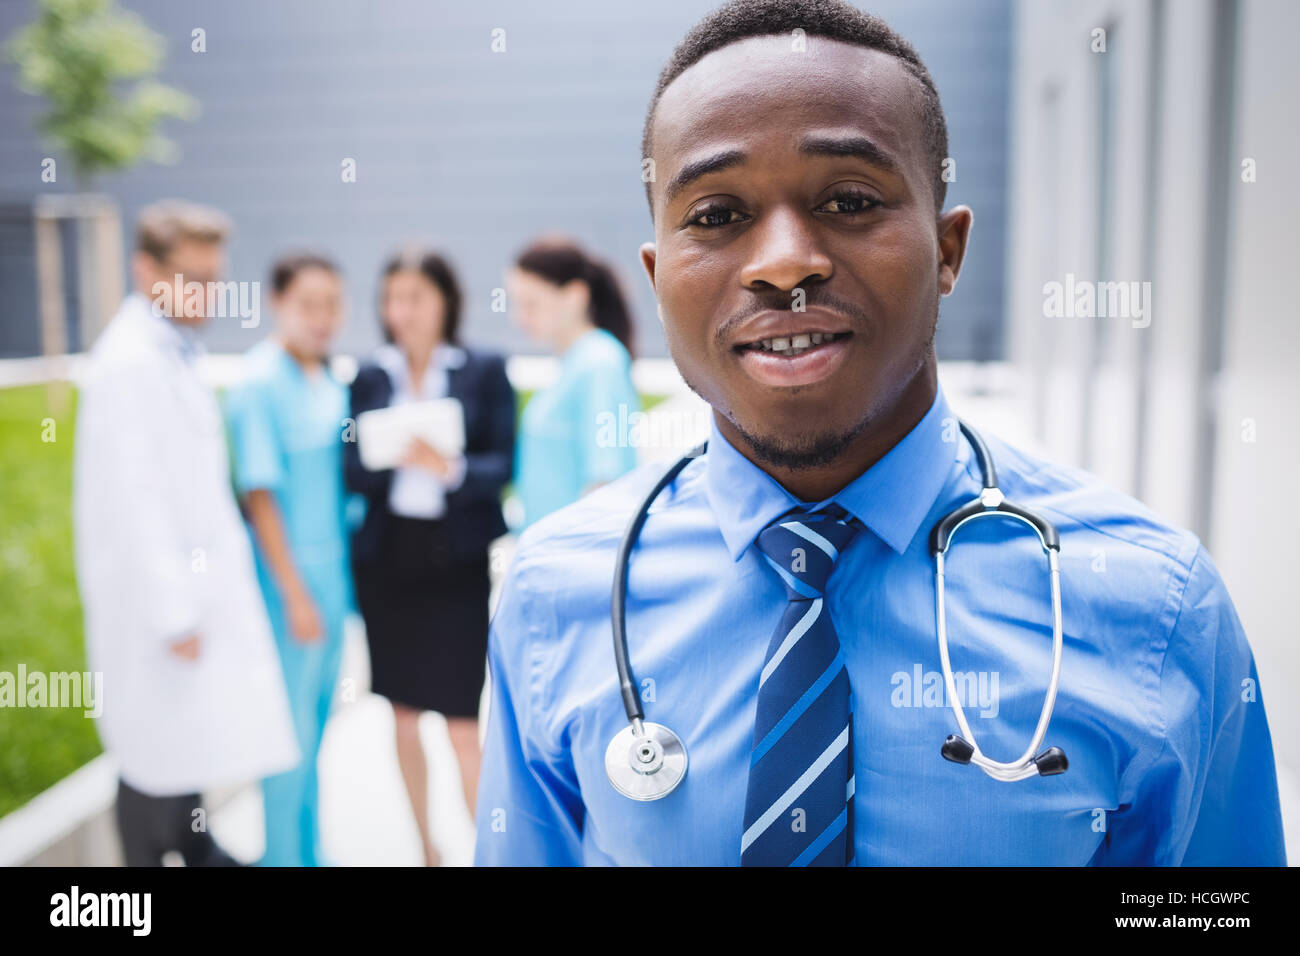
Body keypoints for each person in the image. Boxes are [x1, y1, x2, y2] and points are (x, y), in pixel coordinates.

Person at [473, 0, 1286, 866]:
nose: (785, 262)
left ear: (947, 251)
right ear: (656, 274)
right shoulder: (558, 598)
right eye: (715, 215)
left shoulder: (1154, 611)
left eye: (850, 199)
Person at [72, 199, 299, 866]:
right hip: (159, 608)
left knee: (185, 741)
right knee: (152, 753)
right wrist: (174, 612)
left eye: (213, 279)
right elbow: (133, 501)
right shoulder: (129, 365)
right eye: (193, 280)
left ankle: (196, 847)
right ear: (147, 270)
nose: (207, 295)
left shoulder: (171, 350)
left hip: (193, 592)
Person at [345, 246, 515, 866]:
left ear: (446, 301)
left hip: (456, 566)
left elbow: (503, 464)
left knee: (462, 725)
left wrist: (448, 467)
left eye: (416, 297)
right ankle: (426, 849)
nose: (403, 312)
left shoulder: (483, 370)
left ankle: (489, 854)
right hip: (390, 564)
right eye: (393, 299)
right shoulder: (370, 376)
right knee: (403, 716)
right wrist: (386, 451)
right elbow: (348, 468)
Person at [224, 253, 351, 867]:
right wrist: (297, 596)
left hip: (334, 583)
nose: (322, 319)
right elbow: (260, 496)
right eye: (308, 305)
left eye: (332, 304)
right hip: (286, 589)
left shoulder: (326, 379)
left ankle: (309, 856)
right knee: (285, 745)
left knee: (315, 738)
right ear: (278, 304)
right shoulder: (259, 381)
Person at [505, 236, 640, 529]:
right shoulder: (575, 362)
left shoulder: (600, 363)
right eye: (517, 304)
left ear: (575, 295)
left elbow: (605, 479)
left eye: (531, 304)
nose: (521, 318)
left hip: (573, 557)